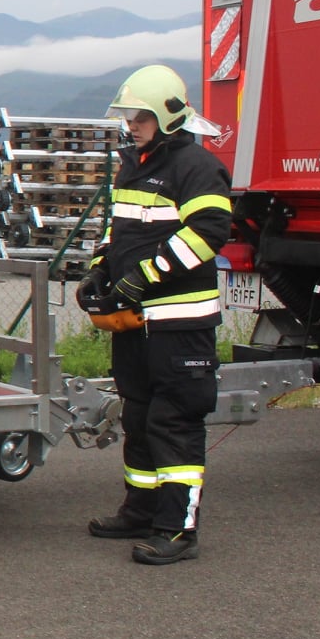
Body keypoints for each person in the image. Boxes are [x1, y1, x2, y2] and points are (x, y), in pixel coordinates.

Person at [77, 65, 231, 565]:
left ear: (167, 115)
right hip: (135, 322)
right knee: (139, 415)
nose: (132, 123)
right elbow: (118, 231)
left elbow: (207, 233)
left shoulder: (196, 166)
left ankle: (178, 530)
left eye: (140, 115)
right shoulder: (134, 164)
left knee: (174, 420)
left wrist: (144, 277)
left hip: (179, 325)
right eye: (128, 115)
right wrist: (99, 270)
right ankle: (141, 511)